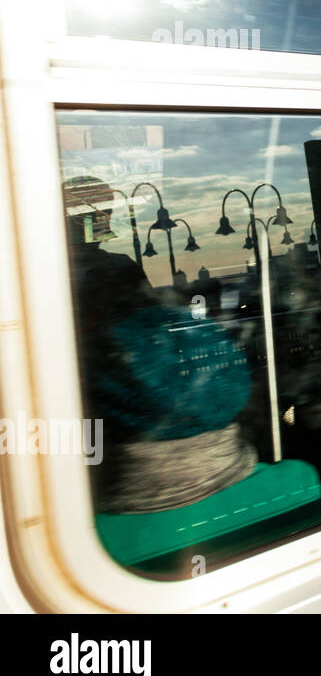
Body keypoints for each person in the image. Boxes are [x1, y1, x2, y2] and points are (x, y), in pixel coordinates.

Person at [63, 176, 259, 515]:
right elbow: (149, 329)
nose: (104, 219)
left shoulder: (67, 270)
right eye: (99, 211)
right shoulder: (114, 269)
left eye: (105, 210)